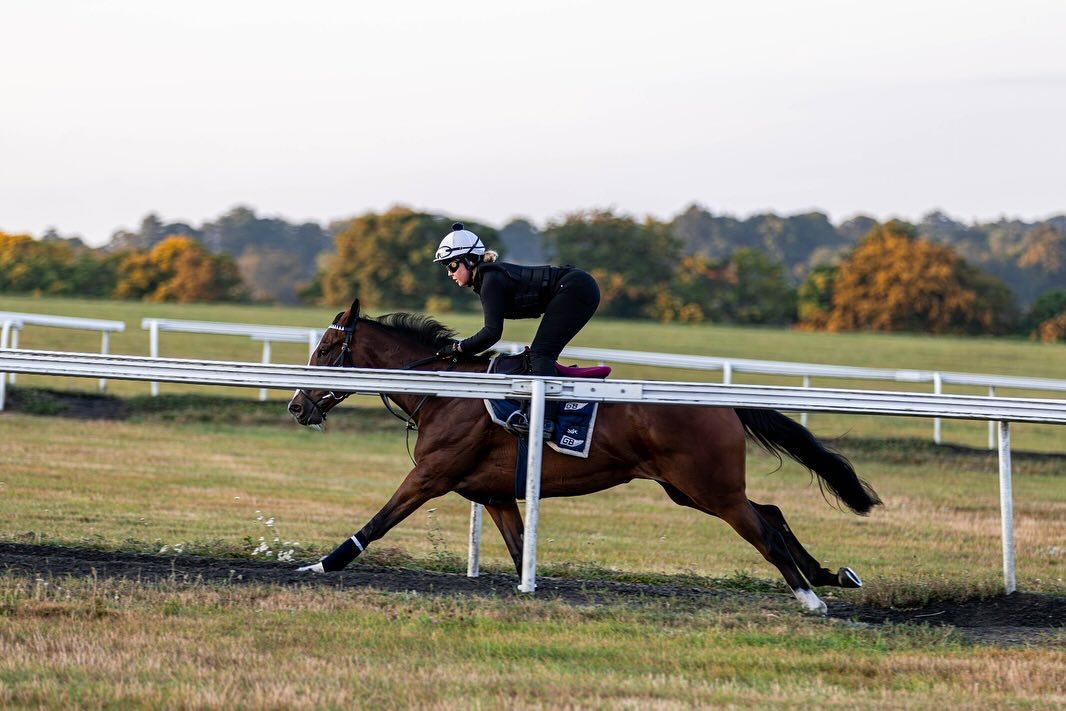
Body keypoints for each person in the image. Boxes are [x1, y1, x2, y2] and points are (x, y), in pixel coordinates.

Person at [433, 222, 600, 439]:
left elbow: (492, 333)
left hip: (575, 287)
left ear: (470, 259)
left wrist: (458, 347)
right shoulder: (487, 278)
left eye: (452, 265)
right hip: (575, 286)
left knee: (541, 354)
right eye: (447, 267)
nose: (449, 273)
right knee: (537, 354)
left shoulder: (490, 280)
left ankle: (544, 422)